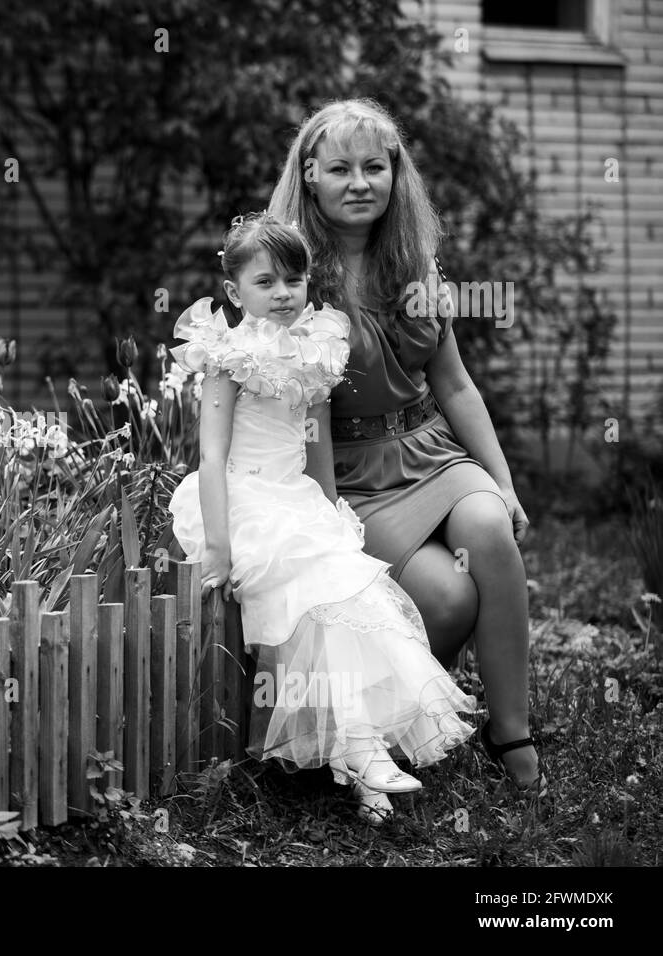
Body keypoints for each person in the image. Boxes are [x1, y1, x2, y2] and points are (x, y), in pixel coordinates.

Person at [267, 99, 543, 792]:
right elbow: (305, 417)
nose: (359, 182)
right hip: (354, 474)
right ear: (311, 177)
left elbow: (454, 387)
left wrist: (502, 482)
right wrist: (328, 518)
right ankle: (394, 719)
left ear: (396, 175)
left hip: (429, 451)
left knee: (487, 526)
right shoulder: (293, 281)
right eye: (340, 169)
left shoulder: (414, 264)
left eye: (374, 167)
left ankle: (511, 730)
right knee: (448, 600)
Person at [167, 212, 476, 824]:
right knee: (318, 599)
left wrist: (332, 510)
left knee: (357, 603)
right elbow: (210, 456)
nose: (283, 294)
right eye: (265, 282)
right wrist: (221, 549)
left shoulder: (315, 348)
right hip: (243, 503)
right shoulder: (225, 357)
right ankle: (363, 756)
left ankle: (366, 765)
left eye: (294, 279)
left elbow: (314, 444)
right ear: (234, 292)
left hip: (297, 500)